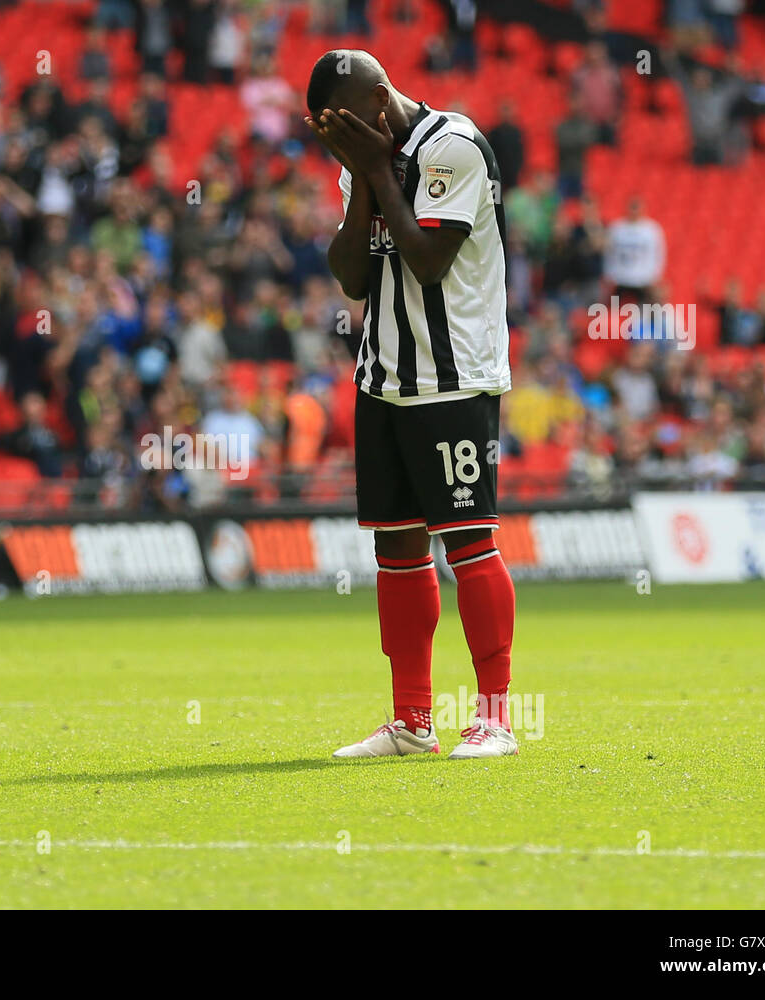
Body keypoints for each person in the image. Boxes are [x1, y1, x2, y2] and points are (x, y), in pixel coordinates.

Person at [305, 49, 517, 760]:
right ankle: (412, 723)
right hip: (384, 379)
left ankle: (495, 720)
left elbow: (428, 262)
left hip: (453, 378)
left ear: (379, 100)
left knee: (469, 541)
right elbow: (353, 279)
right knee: (397, 547)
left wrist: (372, 171)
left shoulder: (452, 148)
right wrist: (362, 173)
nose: (336, 141)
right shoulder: (356, 161)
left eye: (343, 126)